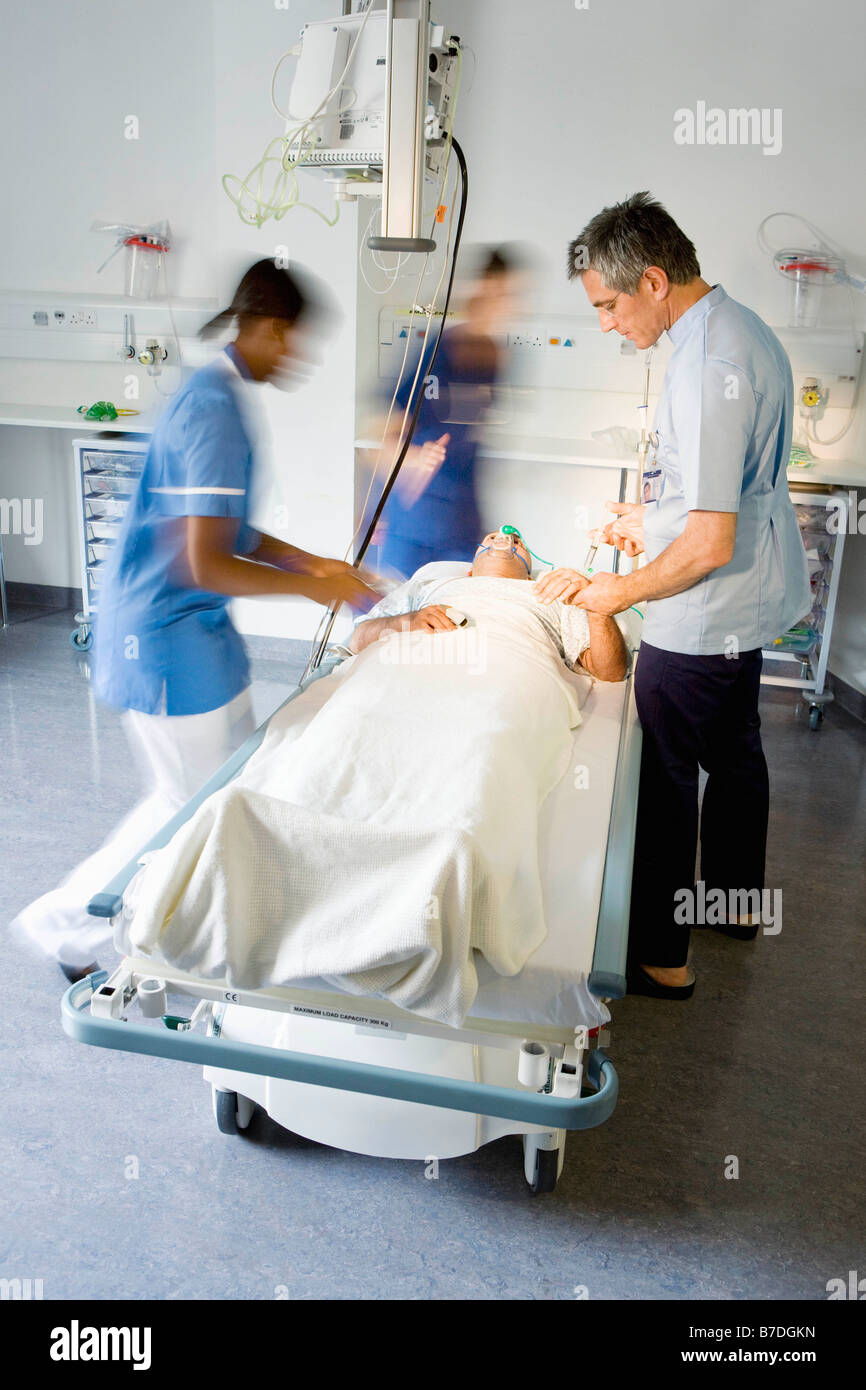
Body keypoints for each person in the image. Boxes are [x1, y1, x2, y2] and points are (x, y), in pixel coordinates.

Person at [12, 259, 380, 981]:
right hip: (162, 641)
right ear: (268, 328)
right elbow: (203, 564)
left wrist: (313, 564)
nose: (299, 358)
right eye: (296, 340)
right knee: (187, 808)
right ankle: (66, 928)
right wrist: (314, 592)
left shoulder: (220, 395)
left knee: (229, 795)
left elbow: (228, 529)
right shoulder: (211, 408)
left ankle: (208, 933)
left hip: (193, 639)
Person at [543, 191, 810, 999]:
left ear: (654, 281)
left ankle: (663, 960)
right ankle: (734, 907)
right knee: (736, 755)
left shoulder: (704, 367)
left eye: (609, 305)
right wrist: (650, 519)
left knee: (663, 781)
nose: (606, 324)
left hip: (700, 618)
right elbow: (722, 495)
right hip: (742, 607)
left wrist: (613, 592)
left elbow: (709, 541)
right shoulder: (741, 329)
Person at [368, 247, 530, 578]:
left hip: (464, 520)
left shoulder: (496, 356)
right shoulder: (438, 353)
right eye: (496, 294)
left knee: (464, 603)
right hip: (418, 522)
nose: (503, 305)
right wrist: (415, 460)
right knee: (405, 605)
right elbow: (378, 443)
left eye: (510, 296)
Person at [350, 528, 627, 682]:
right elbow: (357, 640)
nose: (505, 540)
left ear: (528, 574)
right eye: (490, 538)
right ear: (470, 570)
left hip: (506, 675)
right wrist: (408, 621)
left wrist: (597, 607)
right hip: (413, 670)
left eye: (517, 542)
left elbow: (610, 672)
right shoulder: (429, 586)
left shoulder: (554, 592)